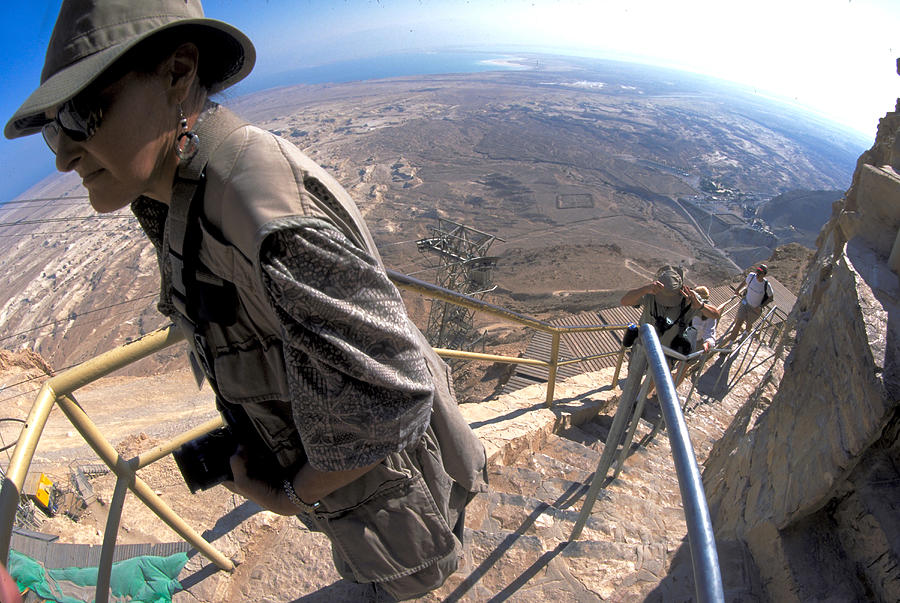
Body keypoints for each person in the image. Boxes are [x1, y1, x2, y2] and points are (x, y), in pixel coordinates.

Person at [5, 1, 487, 599]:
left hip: (396, 493)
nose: (62, 155)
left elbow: (388, 396)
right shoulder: (182, 192)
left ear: (179, 71)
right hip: (360, 489)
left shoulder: (254, 203)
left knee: (414, 581)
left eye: (81, 114)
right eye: (55, 128)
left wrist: (287, 496)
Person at [620, 265, 720, 353]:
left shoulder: (690, 298)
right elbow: (624, 301)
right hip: (642, 346)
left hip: (667, 353)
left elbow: (715, 314)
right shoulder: (650, 293)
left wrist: (700, 306)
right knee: (635, 373)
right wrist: (644, 289)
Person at [721, 264, 774, 345]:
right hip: (745, 303)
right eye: (757, 271)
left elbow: (771, 298)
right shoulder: (751, 276)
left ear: (764, 275)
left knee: (749, 324)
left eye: (760, 273)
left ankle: (745, 333)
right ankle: (730, 344)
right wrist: (738, 289)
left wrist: (761, 307)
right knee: (738, 323)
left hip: (755, 309)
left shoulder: (766, 285)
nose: (757, 274)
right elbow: (745, 282)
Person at [689, 286, 718, 353]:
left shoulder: (709, 316)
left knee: (687, 361)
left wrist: (707, 343)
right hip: (680, 339)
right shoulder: (688, 307)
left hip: (695, 343)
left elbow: (710, 333)